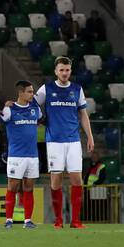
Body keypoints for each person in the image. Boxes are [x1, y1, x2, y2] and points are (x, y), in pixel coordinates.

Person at [34, 56, 94, 228]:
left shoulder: (77, 89)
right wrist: (41, 118)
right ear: (56, 71)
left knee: (76, 179)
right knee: (56, 179)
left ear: (70, 71)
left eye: (67, 70)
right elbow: (32, 105)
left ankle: (75, 220)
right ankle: (58, 220)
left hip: (73, 140)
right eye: (61, 70)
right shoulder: (47, 88)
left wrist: (89, 136)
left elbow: (83, 114)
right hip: (54, 141)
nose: (64, 73)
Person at [1, 81, 42, 229]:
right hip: (16, 155)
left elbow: (39, 121)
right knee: (12, 187)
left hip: (32, 155)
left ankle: (28, 221)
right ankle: (8, 220)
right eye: (30, 92)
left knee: (29, 188)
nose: (32, 94)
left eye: (33, 92)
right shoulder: (10, 109)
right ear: (21, 93)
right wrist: (5, 106)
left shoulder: (35, 109)